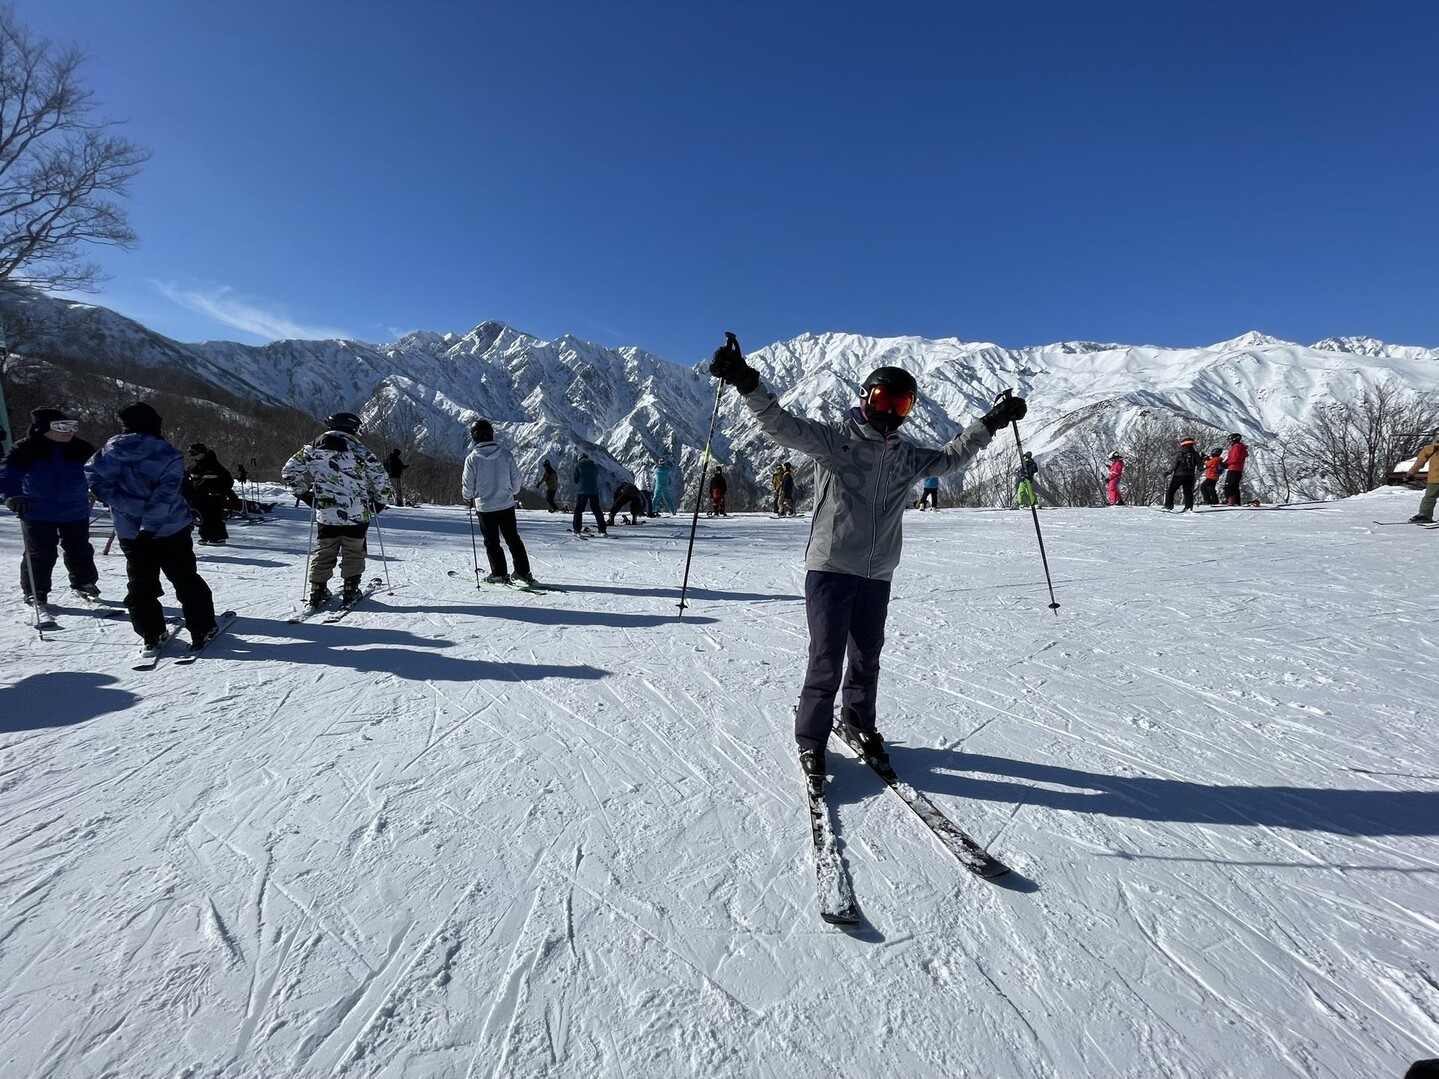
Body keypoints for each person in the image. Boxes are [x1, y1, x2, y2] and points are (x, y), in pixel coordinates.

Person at [708, 334, 1026, 790]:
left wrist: (992, 421)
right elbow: (777, 422)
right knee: (825, 659)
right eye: (884, 399)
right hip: (831, 568)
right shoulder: (833, 443)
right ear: (865, 398)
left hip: (878, 573)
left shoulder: (907, 456)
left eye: (901, 405)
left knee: (866, 658)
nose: (891, 412)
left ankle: (858, 723)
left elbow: (954, 456)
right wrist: (745, 380)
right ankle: (811, 738)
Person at [85, 402, 218, 655]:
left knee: (140, 583)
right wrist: (150, 524)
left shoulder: (109, 451)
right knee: (185, 579)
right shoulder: (166, 454)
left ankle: (151, 633)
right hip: (170, 529)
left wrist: (125, 504)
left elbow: (93, 478)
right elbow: (165, 494)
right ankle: (203, 628)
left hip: (130, 531)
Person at [281, 411, 394, 607]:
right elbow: (380, 477)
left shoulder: (312, 448)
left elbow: (288, 472)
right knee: (354, 549)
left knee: (325, 548)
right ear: (352, 427)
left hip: (326, 511)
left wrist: (305, 495)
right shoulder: (359, 449)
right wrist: (380, 501)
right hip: (357, 510)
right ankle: (350, 588)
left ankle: (317, 589)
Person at [0, 408, 100, 606]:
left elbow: (99, 471)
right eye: (61, 427)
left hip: (74, 509)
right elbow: (7, 474)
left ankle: (84, 583)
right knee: (40, 552)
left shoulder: (81, 448)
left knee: (79, 549)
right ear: (42, 428)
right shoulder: (26, 449)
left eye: (72, 426)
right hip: (37, 511)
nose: (68, 431)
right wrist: (13, 495)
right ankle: (36, 590)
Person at [462, 420, 533, 584]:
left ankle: (499, 573)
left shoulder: (472, 459)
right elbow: (516, 479)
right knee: (513, 539)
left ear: (474, 437)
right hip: (506, 504)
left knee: (492, 542)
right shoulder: (505, 455)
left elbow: (468, 484)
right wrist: (511, 493)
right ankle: (522, 572)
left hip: (485, 507)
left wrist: (468, 497)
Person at [186, 443, 233, 545]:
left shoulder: (214, 466)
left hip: (213, 496)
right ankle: (205, 535)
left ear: (202, 453)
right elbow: (188, 480)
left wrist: (220, 492)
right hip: (198, 496)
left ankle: (219, 537)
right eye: (191, 453)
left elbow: (228, 480)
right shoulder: (193, 467)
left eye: (195, 453)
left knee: (214, 516)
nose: (194, 456)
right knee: (202, 516)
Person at [1404, 435, 1439, 523]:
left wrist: (1411, 472)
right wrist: (1411, 472)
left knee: (1429, 498)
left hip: (1434, 478)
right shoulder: (1431, 448)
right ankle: (1425, 515)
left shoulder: (1431, 448)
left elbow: (1420, 462)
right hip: (1434, 478)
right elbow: (1420, 461)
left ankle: (1425, 515)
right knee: (1429, 498)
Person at [571, 452, 607, 535]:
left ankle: (577, 529)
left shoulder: (577, 465)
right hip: (594, 491)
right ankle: (602, 529)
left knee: (578, 510)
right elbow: (596, 475)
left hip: (582, 491)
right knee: (597, 510)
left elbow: (575, 479)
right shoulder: (594, 465)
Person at [1165, 437, 1201, 512]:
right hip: (1190, 476)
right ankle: (1188, 507)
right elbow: (1200, 466)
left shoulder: (1179, 453)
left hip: (1178, 475)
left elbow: (1174, 465)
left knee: (1171, 490)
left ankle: (1168, 506)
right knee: (1188, 492)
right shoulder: (1195, 454)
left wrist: (1168, 472)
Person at [1223, 432, 1248, 506]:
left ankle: (1231, 500)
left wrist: (1227, 463)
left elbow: (1234, 458)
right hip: (1238, 468)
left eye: (1230, 440)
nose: (1230, 441)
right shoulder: (1240, 446)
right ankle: (1236, 501)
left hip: (1233, 468)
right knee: (1235, 485)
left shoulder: (1236, 446)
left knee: (1229, 485)